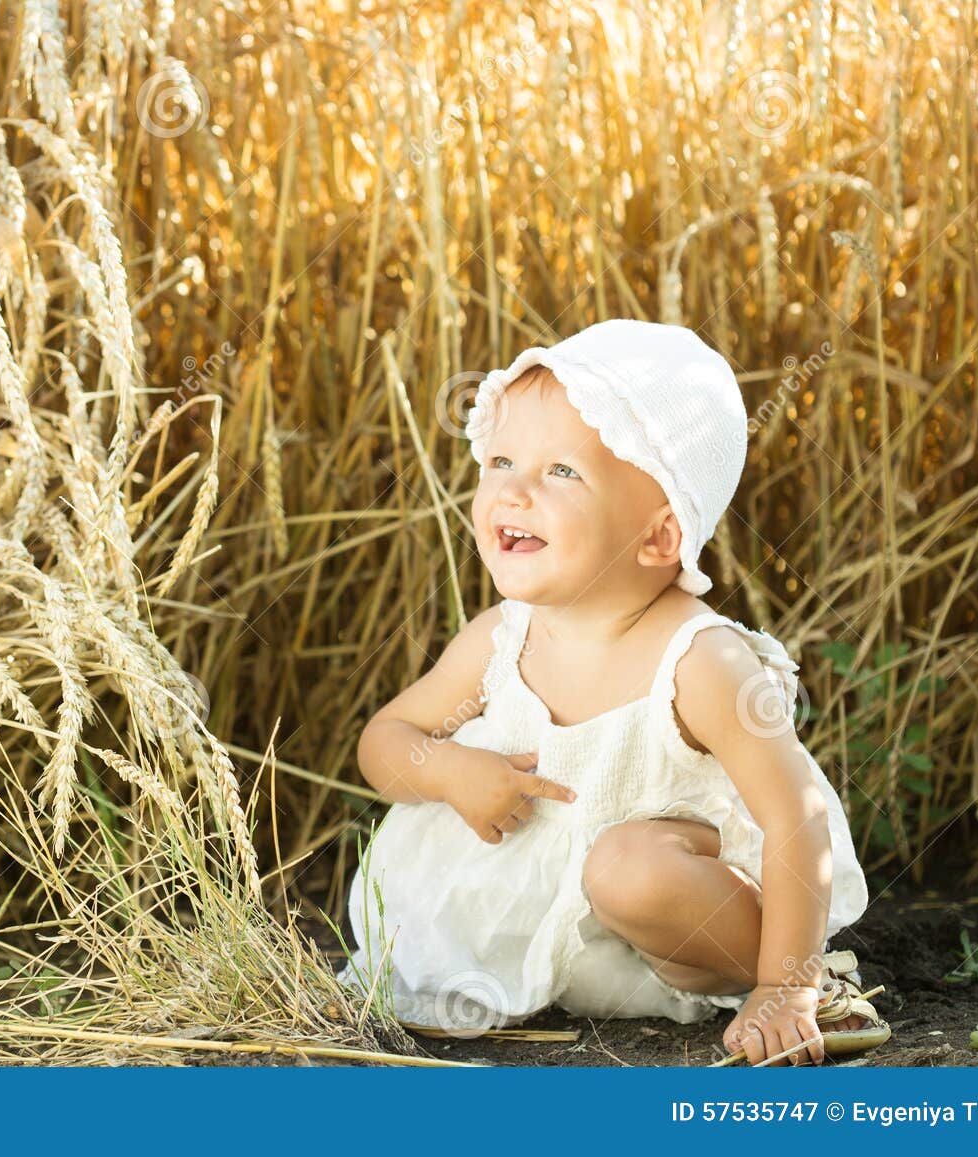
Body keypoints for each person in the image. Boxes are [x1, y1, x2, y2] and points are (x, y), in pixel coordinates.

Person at [336, 319, 889, 1066]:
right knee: (592, 877)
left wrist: (782, 984)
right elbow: (384, 740)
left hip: (681, 936)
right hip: (552, 944)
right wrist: (446, 770)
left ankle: (801, 983)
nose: (514, 490)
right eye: (500, 460)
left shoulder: (698, 662)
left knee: (627, 869)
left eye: (562, 471)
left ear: (660, 537)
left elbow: (796, 813)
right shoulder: (502, 640)